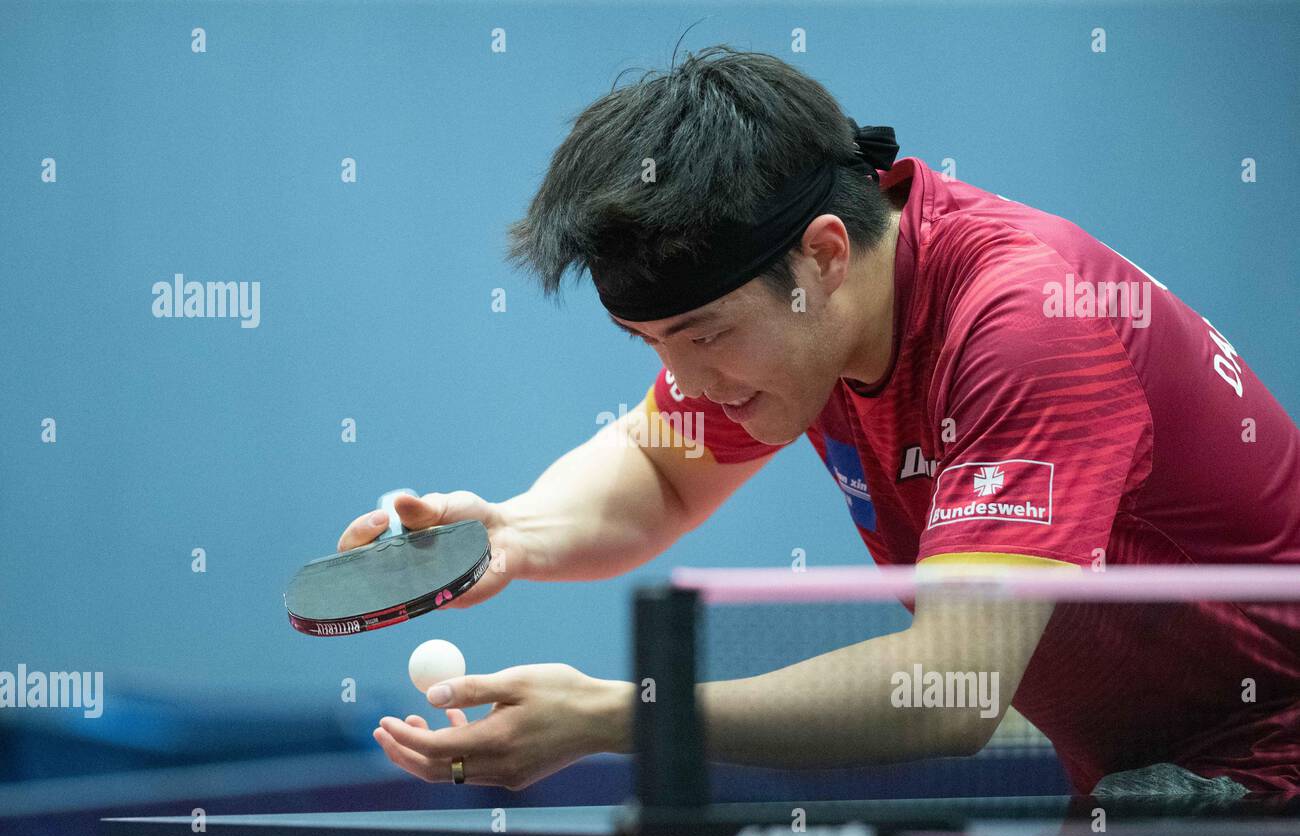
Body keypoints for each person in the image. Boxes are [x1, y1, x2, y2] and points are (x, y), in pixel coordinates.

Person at [359, 47, 1300, 795]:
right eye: (646, 341)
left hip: (1271, 783)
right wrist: (510, 534)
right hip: (1150, 788)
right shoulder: (815, 329)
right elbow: (660, 473)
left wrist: (624, 714)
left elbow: (955, 685)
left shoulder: (1027, 324)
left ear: (823, 255)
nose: (683, 379)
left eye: (703, 334)